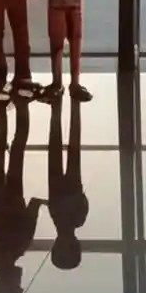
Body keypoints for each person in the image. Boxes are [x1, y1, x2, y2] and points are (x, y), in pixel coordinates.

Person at [0, 98, 41, 293]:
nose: (20, 280)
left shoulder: (18, 248)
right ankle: (0, 111)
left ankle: (22, 106)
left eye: (17, 284)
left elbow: (32, 209)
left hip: (13, 195)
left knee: (18, 146)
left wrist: (44, 203)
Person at [46, 95, 88, 273]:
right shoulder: (71, 222)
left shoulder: (74, 222)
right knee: (63, 143)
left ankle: (67, 103)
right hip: (65, 187)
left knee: (66, 143)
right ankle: (65, 103)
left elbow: (84, 202)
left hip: (66, 187)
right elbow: (82, 202)